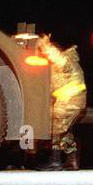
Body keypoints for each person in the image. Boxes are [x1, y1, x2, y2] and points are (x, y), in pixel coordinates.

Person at [38, 35, 87, 170]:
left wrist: (46, 46)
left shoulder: (67, 60)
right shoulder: (56, 67)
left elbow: (60, 59)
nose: (47, 56)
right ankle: (72, 160)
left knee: (56, 126)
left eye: (50, 53)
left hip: (71, 101)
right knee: (64, 131)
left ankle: (55, 160)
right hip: (67, 101)